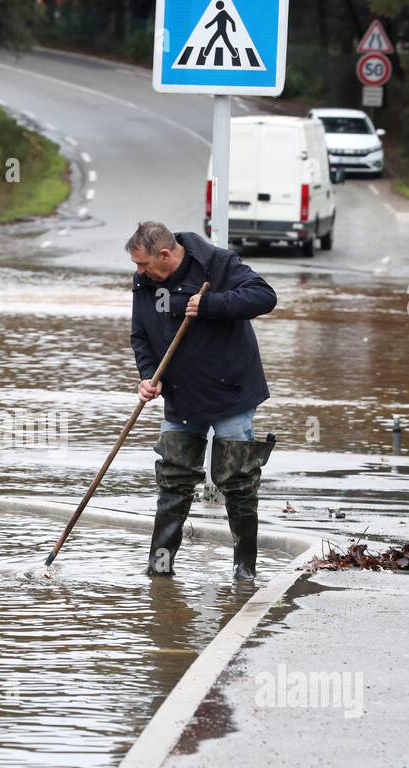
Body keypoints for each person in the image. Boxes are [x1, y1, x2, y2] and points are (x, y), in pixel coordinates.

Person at [127, 221, 277, 581]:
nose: (139, 271)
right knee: (173, 481)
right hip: (180, 397)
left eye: (144, 264)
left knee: (237, 481)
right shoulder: (145, 283)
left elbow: (264, 297)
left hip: (231, 392)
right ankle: (159, 570)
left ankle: (245, 571)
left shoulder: (218, 265)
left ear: (165, 254)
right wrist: (148, 377)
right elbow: (140, 337)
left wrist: (211, 303)